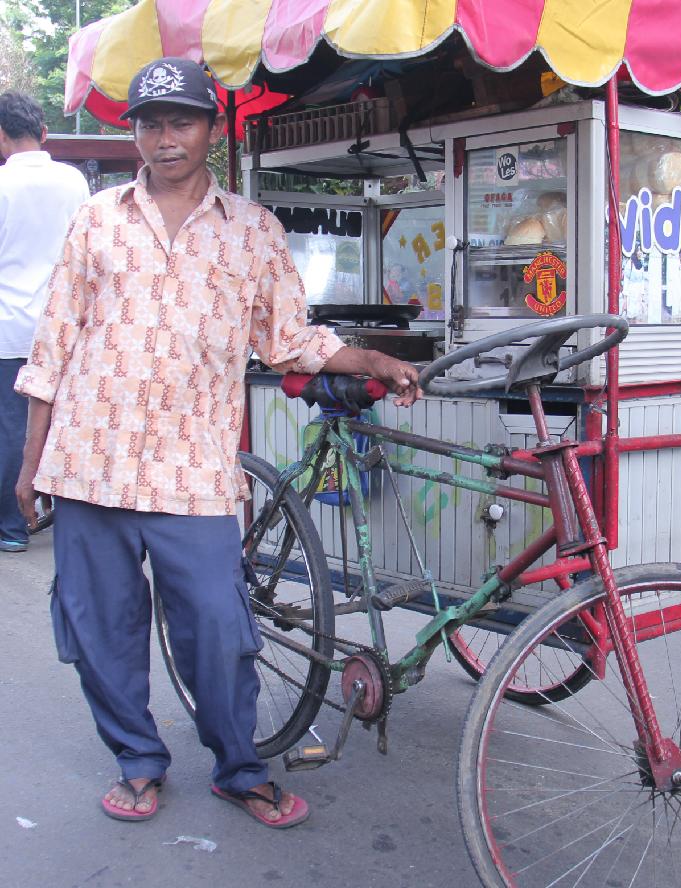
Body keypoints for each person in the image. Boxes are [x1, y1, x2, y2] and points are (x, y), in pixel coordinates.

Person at [14, 58, 421, 828]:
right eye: (149, 123)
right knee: (100, 629)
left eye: (181, 122)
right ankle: (138, 760)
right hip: (88, 464)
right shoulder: (95, 221)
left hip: (193, 471)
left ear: (211, 130)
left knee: (219, 629)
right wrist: (29, 465)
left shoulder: (253, 233)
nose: (164, 139)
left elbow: (290, 340)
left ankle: (238, 767)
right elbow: (52, 350)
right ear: (133, 130)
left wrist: (369, 358)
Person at [0, 93, 89, 553]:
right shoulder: (74, 181)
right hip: (67, 328)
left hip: (10, 328)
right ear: (44, 133)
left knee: (12, 429)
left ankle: (13, 529)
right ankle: (67, 518)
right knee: (64, 422)